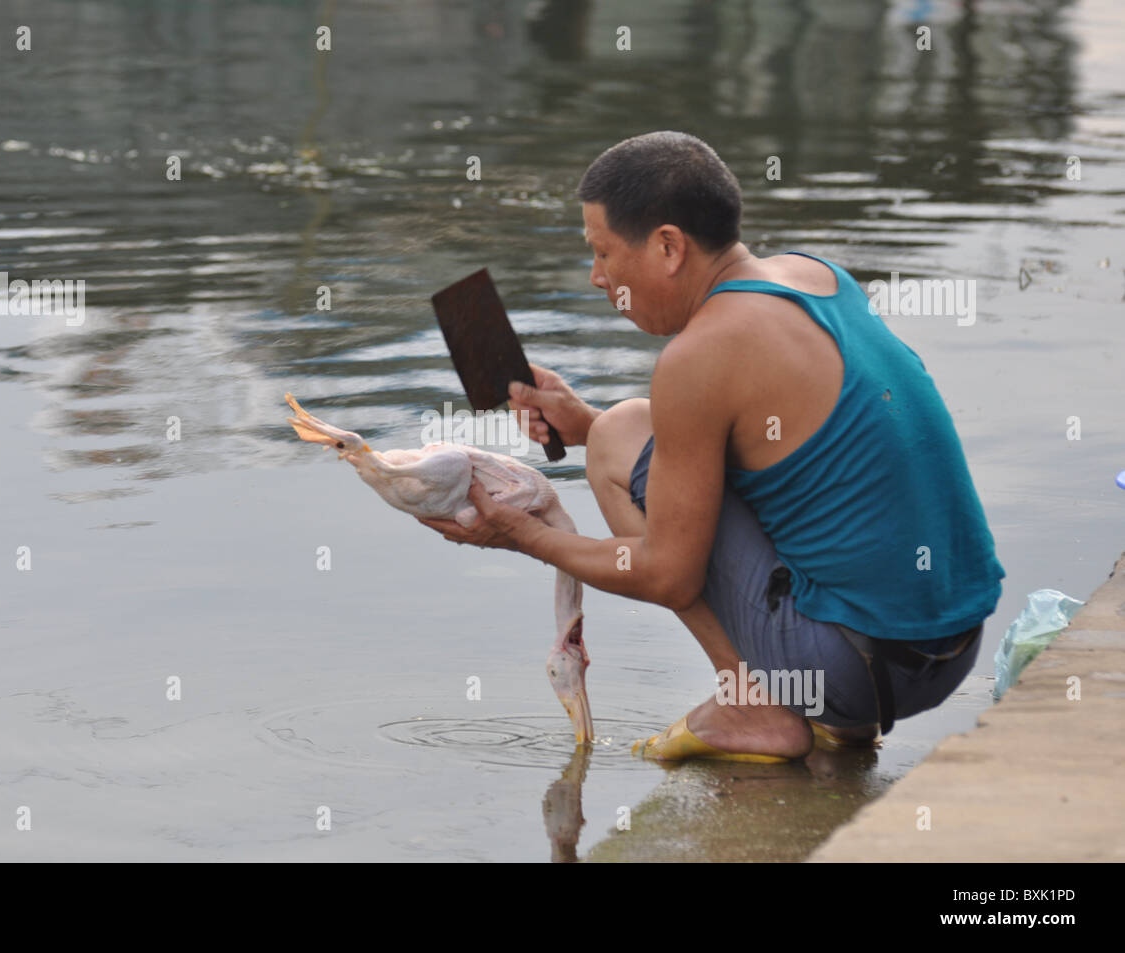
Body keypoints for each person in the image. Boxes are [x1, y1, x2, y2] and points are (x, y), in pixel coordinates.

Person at [417, 131, 1004, 762]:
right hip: (950, 648)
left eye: (604, 254)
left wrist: (521, 535)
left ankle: (753, 708)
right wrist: (584, 422)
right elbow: (774, 445)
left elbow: (668, 576)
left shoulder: (697, 357)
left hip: (858, 670)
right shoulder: (817, 276)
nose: (596, 278)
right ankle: (830, 717)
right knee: (616, 427)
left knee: (620, 439)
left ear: (669, 246)